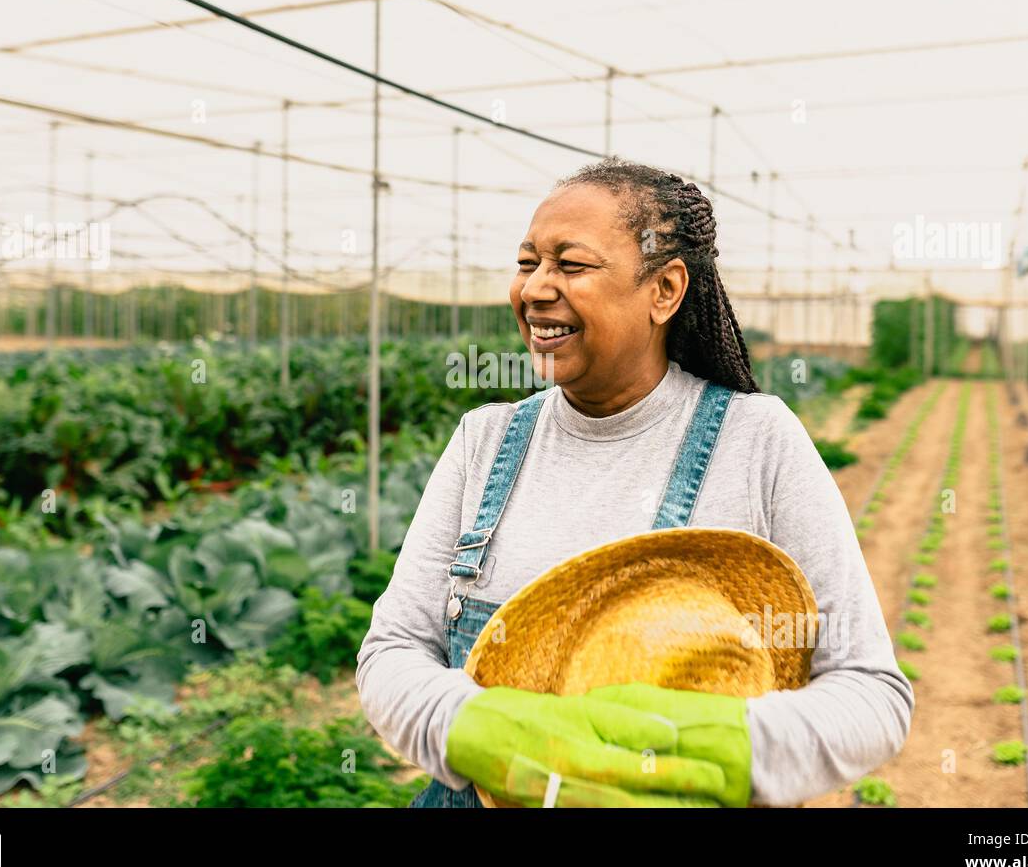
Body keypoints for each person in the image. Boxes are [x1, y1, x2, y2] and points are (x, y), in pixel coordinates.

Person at [356, 156, 913, 807]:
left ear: (665, 291)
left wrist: (734, 749)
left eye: (571, 265)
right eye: (526, 262)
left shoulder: (757, 440)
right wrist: (464, 724)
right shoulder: (486, 441)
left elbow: (871, 690)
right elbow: (394, 647)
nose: (535, 288)